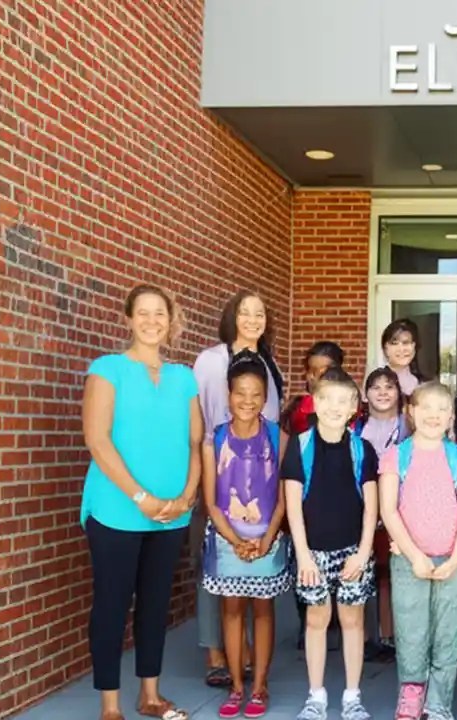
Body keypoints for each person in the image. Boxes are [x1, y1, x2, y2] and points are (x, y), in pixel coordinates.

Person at [81, 284, 200, 720]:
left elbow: (194, 439)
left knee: (155, 606)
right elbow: (97, 439)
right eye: (143, 313)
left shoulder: (183, 378)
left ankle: (149, 695)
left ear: (170, 320)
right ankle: (110, 704)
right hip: (116, 511)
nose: (152, 321)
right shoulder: (108, 369)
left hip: (170, 515)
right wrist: (140, 497)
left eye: (160, 313)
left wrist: (187, 496)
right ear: (128, 318)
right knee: (113, 604)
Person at [193, 290, 285, 686]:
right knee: (217, 570)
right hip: (220, 467)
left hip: (263, 481)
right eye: (244, 312)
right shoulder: (212, 360)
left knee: (257, 591)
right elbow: (198, 415)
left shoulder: (267, 361)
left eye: (259, 313)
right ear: (231, 317)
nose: (252, 319)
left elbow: (273, 418)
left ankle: (248, 656)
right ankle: (217, 654)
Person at [282, 368, 380, 720]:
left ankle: (352, 696)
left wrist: (364, 551)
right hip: (313, 553)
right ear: (315, 403)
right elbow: (293, 507)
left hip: (353, 551)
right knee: (316, 620)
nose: (335, 407)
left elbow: (372, 505)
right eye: (327, 400)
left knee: (353, 621)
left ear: (355, 406)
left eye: (344, 401)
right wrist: (304, 557)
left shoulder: (362, 449)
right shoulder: (300, 445)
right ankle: (317, 696)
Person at [379, 382, 457, 720]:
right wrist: (414, 555)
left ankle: (439, 702)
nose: (434, 415)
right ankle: (411, 693)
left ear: (451, 415)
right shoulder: (397, 456)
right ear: (412, 411)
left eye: (442, 409)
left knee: (447, 632)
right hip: (409, 560)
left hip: (450, 559)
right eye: (427, 408)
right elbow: (389, 510)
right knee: (410, 628)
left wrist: (456, 557)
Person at [202, 357, 292, 719]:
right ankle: (237, 686)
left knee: (263, 611)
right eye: (241, 393)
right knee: (232, 610)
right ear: (229, 394)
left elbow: (284, 498)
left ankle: (260, 686)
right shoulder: (214, 440)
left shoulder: (278, 436)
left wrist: (268, 537)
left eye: (256, 394)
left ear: (265, 397)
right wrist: (235, 540)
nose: (248, 400)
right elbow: (210, 501)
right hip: (227, 538)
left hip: (266, 538)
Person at [281, 341, 348, 653]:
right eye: (313, 371)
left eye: (326, 370)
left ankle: (336, 624)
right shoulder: (296, 410)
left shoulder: (348, 407)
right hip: (304, 493)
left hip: (338, 495)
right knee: (305, 566)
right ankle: (307, 621)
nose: (319, 375)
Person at [357, 367, 408, 664]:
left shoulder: (407, 425)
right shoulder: (357, 427)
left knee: (391, 573)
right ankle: (364, 638)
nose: (383, 392)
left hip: (398, 506)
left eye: (389, 387)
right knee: (364, 572)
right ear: (365, 395)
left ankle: (389, 635)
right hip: (363, 506)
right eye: (375, 387)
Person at [283, 342, 346, 437]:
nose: (312, 377)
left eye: (320, 372)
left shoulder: (349, 407)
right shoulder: (297, 407)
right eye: (310, 370)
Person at [381, 318, 423, 396]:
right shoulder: (377, 381)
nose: (401, 349)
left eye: (406, 343)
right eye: (394, 343)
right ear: (386, 348)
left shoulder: (422, 383)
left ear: (414, 346)